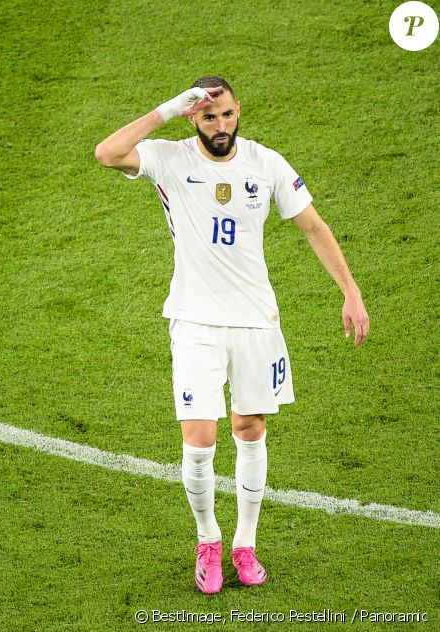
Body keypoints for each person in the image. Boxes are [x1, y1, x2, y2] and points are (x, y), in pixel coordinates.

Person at [94, 76, 369, 594]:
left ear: (238, 110)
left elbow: (314, 226)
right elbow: (108, 153)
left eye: (226, 115)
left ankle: (246, 543)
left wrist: (350, 291)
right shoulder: (170, 158)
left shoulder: (266, 163)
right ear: (192, 118)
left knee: (250, 429)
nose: (220, 126)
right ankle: (208, 540)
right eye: (208, 117)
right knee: (200, 440)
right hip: (195, 320)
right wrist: (167, 108)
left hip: (255, 321)